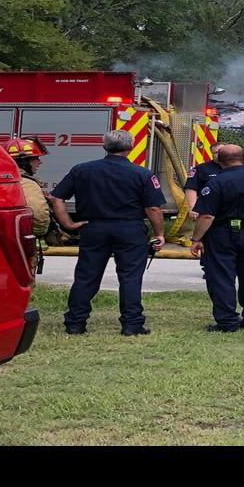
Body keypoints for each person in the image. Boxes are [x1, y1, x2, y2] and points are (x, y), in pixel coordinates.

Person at [47, 129, 167, 336]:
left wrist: (68, 224)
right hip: (130, 229)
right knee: (130, 277)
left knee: (86, 276)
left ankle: (75, 322)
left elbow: (57, 198)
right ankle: (131, 324)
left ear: (104, 147)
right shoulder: (142, 174)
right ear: (130, 147)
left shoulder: (82, 170)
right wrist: (159, 233)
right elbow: (153, 208)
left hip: (93, 228)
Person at [188, 144, 244, 332]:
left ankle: (227, 321)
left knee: (221, 276)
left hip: (222, 234)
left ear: (219, 160)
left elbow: (206, 216)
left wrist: (196, 238)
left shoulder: (216, 182)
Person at [4, 136, 51, 240]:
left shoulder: (2, 179)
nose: (39, 162)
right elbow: (39, 215)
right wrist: (40, 233)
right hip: (22, 238)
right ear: (24, 161)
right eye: (36, 158)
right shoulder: (27, 183)